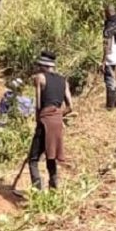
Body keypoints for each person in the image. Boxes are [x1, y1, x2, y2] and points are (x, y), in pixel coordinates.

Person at [28, 51, 73, 191]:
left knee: (33, 159)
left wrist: (38, 120)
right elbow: (70, 106)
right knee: (51, 156)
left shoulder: (40, 78)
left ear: (42, 65)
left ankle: (37, 191)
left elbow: (38, 105)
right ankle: (54, 190)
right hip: (57, 122)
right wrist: (58, 114)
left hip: (45, 121)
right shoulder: (63, 80)